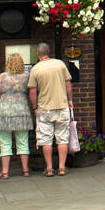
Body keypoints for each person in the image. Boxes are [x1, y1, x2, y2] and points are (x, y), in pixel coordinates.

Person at [28, 41, 73, 176]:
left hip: (44, 108)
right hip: (62, 106)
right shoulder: (60, 64)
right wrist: (70, 101)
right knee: (62, 138)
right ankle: (61, 167)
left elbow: (32, 91)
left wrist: (35, 107)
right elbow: (68, 85)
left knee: (45, 139)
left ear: (38, 54)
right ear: (49, 52)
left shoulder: (36, 69)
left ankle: (49, 168)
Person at [0, 53, 32, 178]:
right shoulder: (26, 77)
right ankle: (25, 170)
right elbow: (31, 94)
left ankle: (5, 172)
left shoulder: (2, 77)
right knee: (23, 142)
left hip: (3, 112)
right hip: (22, 112)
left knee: (5, 143)